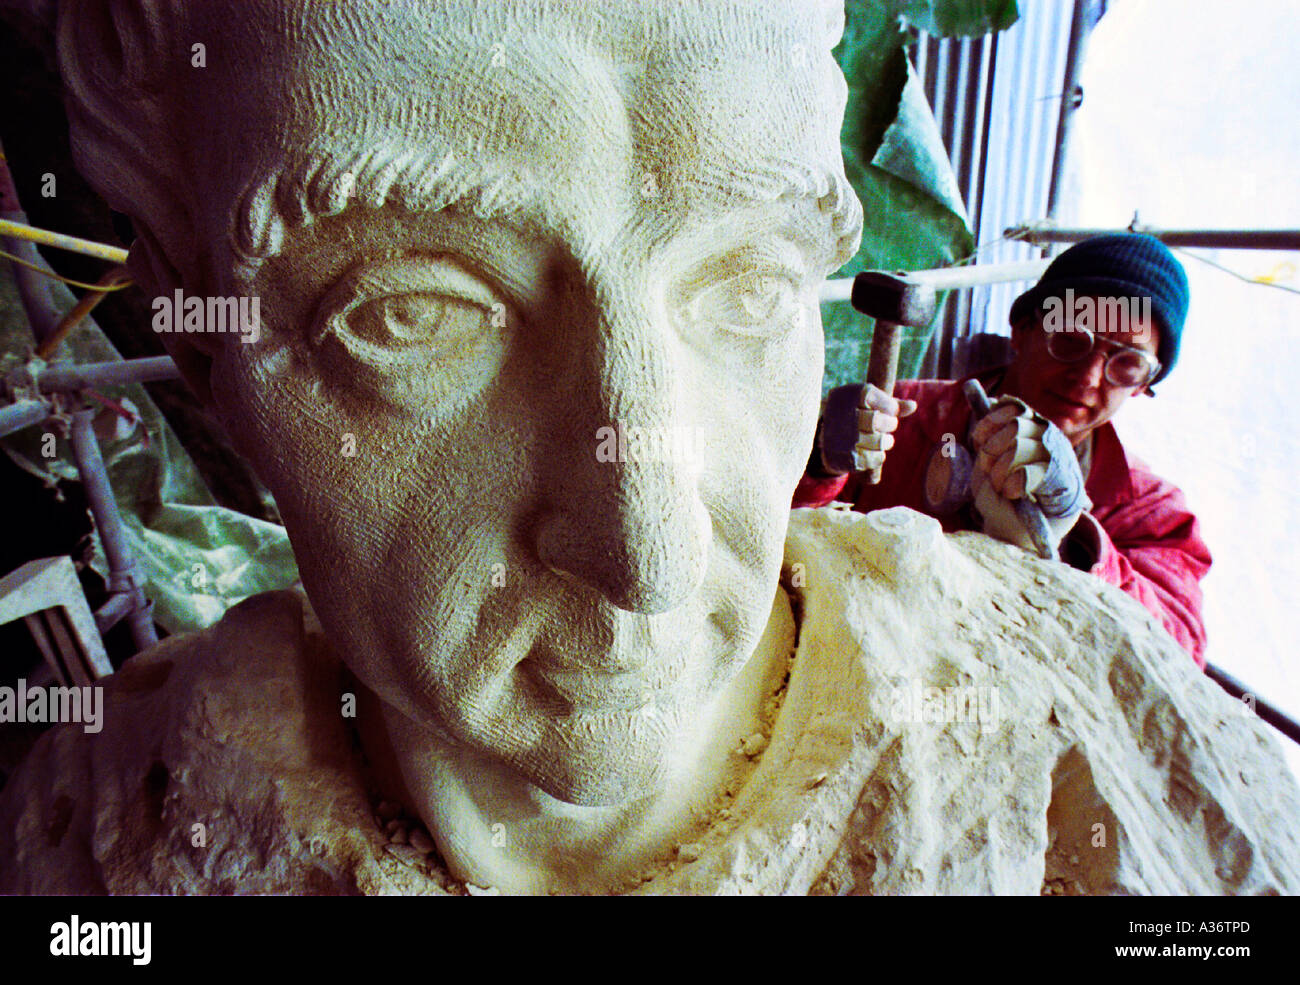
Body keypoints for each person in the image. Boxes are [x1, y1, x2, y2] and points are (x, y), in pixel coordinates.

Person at [3, 1, 1296, 897]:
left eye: (747, 292)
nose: (653, 556)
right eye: (413, 314)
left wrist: (1063, 543)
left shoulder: (1089, 732)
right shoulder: (108, 827)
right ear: (200, 332)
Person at [796, 234, 1213, 666]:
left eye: (1126, 362)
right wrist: (816, 465)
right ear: (1023, 328)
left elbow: (1180, 657)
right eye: (1071, 338)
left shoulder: (1152, 512)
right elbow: (766, 541)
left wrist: (1077, 542)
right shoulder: (900, 416)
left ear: (1145, 384)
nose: (1088, 377)